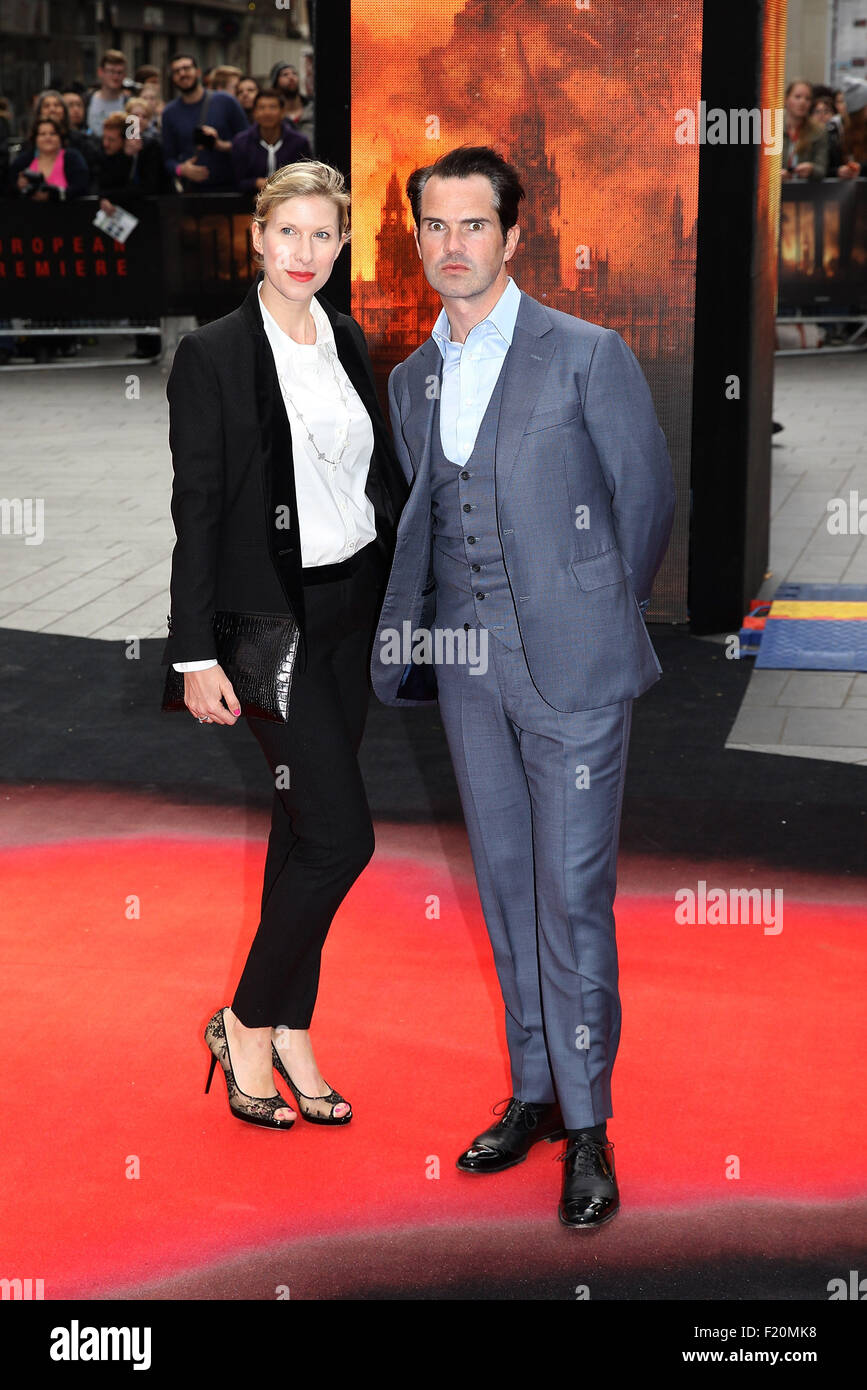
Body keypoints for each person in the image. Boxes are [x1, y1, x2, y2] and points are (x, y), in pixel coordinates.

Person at [371, 146, 676, 1229]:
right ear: (420, 240)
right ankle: (537, 1093)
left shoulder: (589, 354)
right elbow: (431, 515)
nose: (454, 247)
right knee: (504, 888)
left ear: (512, 235)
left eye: (473, 226)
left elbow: (643, 504)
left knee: (570, 895)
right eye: (435, 228)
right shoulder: (413, 379)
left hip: (574, 671)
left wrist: (588, 611)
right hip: (465, 672)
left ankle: (590, 1126)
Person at [162, 161, 408, 1131]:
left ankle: (294, 1028)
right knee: (346, 837)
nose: (305, 253)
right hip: (270, 628)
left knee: (302, 828)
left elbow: (367, 473)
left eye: (324, 236)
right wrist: (193, 654)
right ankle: (246, 1018)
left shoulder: (345, 336)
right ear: (257, 239)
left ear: (341, 246)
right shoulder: (213, 356)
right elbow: (197, 509)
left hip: (350, 612)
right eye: (288, 233)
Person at [161, 53, 247, 193]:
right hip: (192, 193)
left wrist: (221, 145)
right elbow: (168, 159)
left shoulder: (226, 101)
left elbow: (249, 144)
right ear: (172, 78)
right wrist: (182, 169)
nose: (182, 74)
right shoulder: (169, 112)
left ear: (198, 72)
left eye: (186, 68)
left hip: (231, 190)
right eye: (177, 71)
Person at [231, 87, 311, 194]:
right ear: (254, 113)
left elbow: (305, 179)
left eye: (273, 107)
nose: (267, 112)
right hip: (249, 203)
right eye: (262, 108)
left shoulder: (299, 142)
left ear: (282, 112)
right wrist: (256, 182)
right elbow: (236, 181)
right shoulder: (241, 142)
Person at [10, 116, 89, 199]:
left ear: (60, 137)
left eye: (53, 133)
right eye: (42, 134)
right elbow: (9, 190)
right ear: (35, 138)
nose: (48, 137)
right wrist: (18, 186)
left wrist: (54, 195)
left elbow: (81, 188)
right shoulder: (23, 161)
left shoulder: (73, 158)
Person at [782, 79, 828, 180]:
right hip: (775, 190)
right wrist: (773, 173)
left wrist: (812, 169)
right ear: (786, 99)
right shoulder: (771, 127)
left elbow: (822, 169)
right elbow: (758, 165)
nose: (802, 102)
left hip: (805, 190)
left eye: (807, 99)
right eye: (797, 97)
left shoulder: (819, 131)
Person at [269, 62, 314, 147]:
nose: (291, 77)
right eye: (285, 74)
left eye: (294, 73)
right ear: (275, 83)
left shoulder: (312, 109)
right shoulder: (273, 115)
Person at [86, 49, 128, 137]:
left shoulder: (130, 104)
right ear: (100, 72)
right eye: (111, 71)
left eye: (119, 72)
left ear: (124, 75)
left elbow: (133, 140)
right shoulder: (86, 101)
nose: (116, 77)